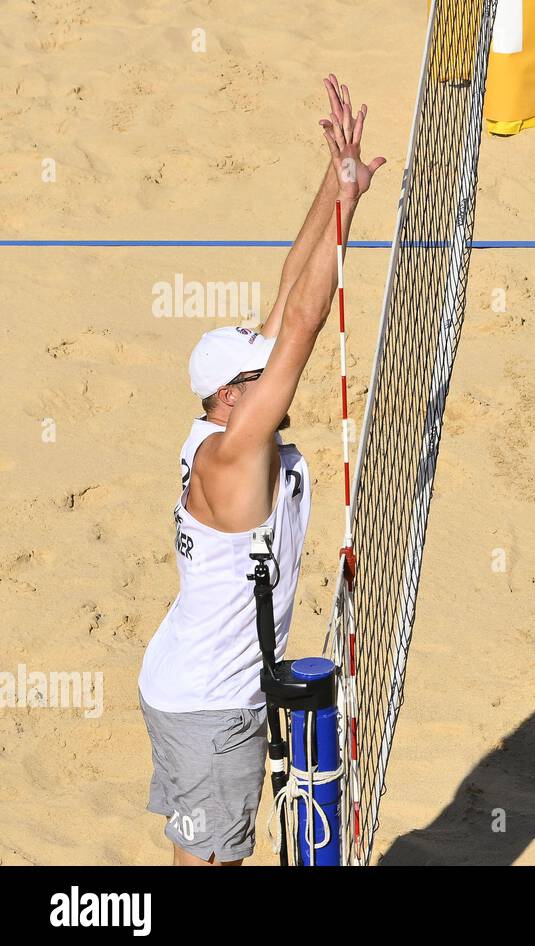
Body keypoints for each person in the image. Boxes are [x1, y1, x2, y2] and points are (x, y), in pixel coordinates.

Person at [137, 76, 384, 865]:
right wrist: (350, 216)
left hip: (192, 685)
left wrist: (337, 183)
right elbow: (306, 321)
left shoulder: (220, 422)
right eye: (260, 370)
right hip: (211, 705)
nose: (274, 368)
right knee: (216, 859)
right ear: (228, 399)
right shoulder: (235, 452)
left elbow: (288, 292)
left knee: (205, 851)